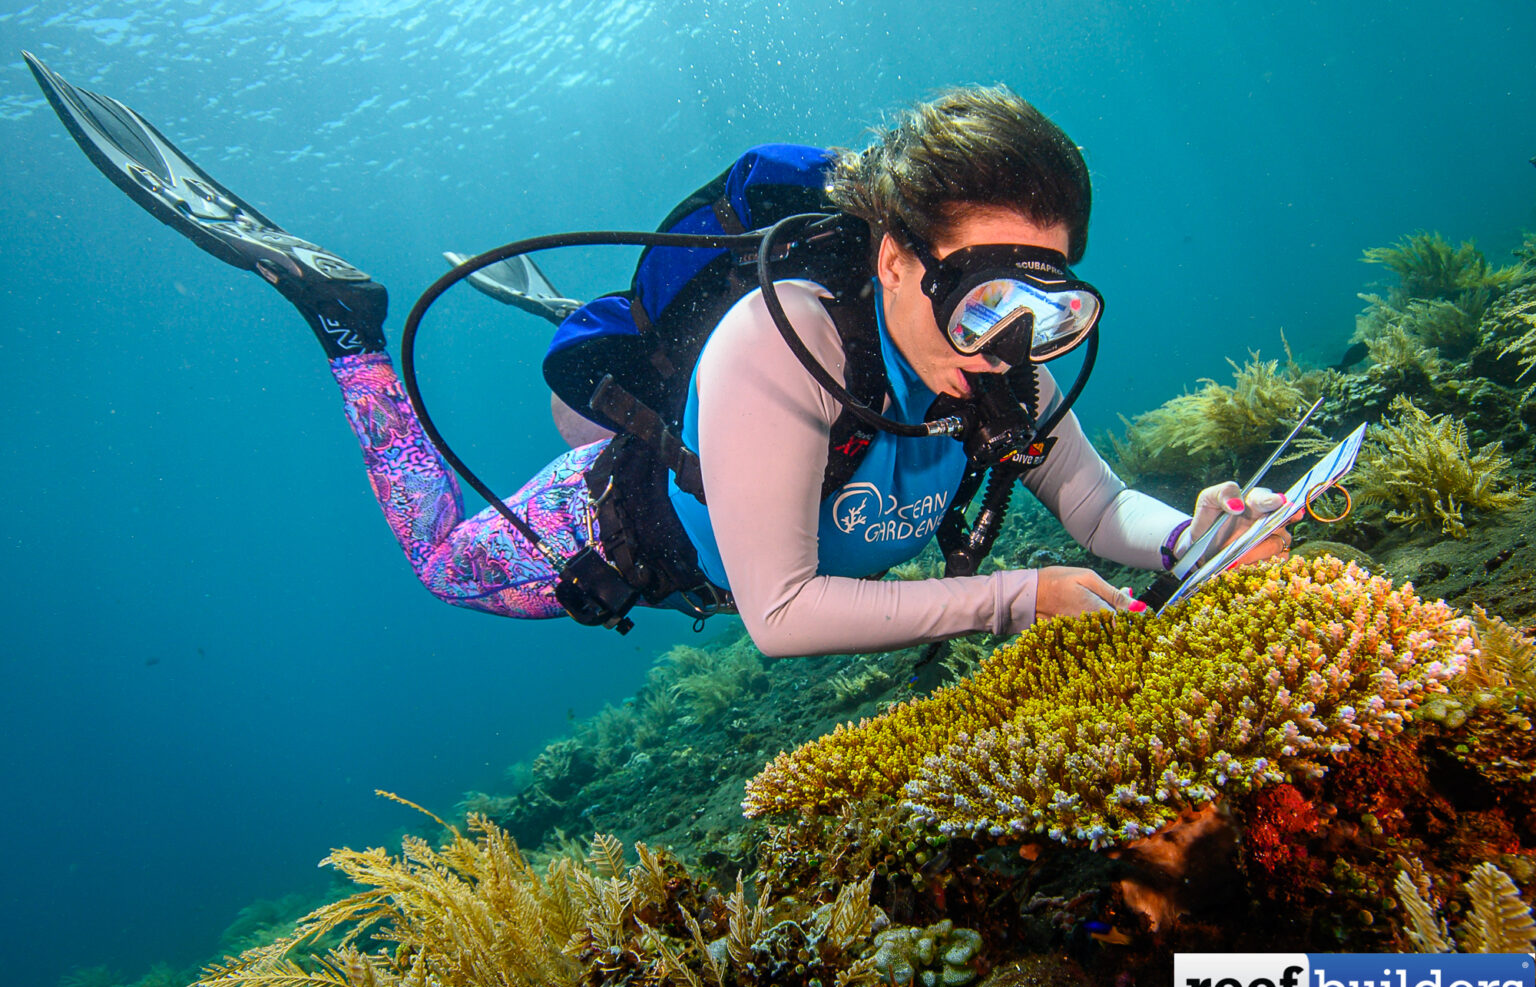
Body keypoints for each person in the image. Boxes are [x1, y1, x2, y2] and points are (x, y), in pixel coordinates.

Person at [25, 53, 1290, 657]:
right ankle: (342, 321)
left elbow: (1088, 497)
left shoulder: (997, 359)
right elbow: (784, 617)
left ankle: (609, 339)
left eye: (1048, 305)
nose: (1014, 343)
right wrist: (1023, 595)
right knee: (440, 568)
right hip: (621, 518)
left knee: (675, 401)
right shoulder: (777, 346)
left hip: (727, 433)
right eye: (986, 300)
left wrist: (1192, 533)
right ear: (899, 257)